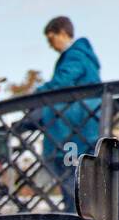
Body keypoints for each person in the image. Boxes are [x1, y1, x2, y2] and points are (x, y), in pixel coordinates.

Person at [34, 16, 101, 208]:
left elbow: (61, 83)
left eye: (51, 39)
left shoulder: (75, 56)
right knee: (82, 182)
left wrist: (38, 93)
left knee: (73, 183)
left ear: (63, 33)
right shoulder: (84, 56)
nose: (51, 45)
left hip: (73, 130)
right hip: (84, 128)